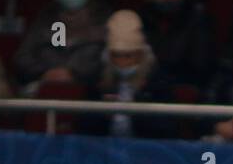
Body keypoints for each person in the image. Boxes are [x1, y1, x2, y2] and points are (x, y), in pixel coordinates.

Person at [75, 10, 179, 140]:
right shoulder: (98, 81)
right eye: (116, 56)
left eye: (128, 56)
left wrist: (138, 109)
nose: (122, 62)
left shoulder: (158, 81)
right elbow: (83, 129)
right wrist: (102, 113)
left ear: (141, 53)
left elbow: (168, 130)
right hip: (104, 153)